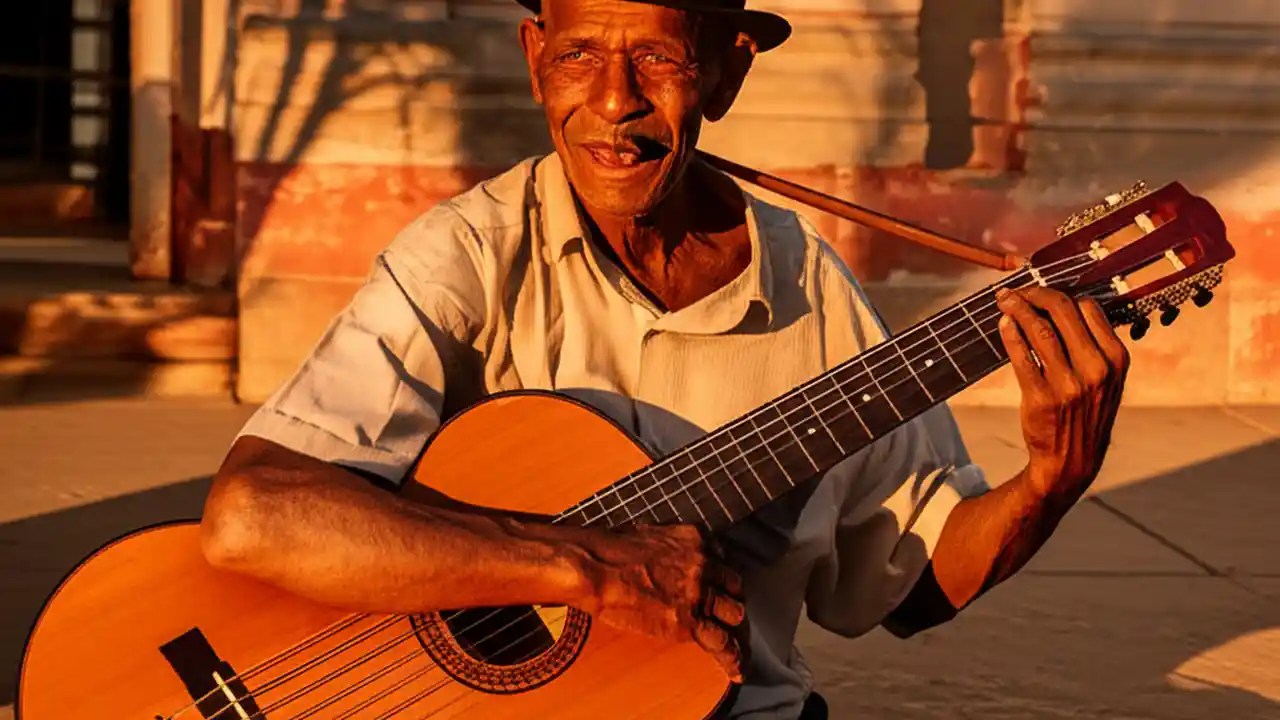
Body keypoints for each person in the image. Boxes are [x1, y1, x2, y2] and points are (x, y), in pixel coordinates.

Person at [199, 0, 1130, 716]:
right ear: (534, 62)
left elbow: (911, 586)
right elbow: (254, 517)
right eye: (578, 55)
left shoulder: (814, 294)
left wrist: (1049, 482)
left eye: (657, 57)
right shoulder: (470, 256)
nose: (614, 103)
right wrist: (586, 567)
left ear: (725, 73)